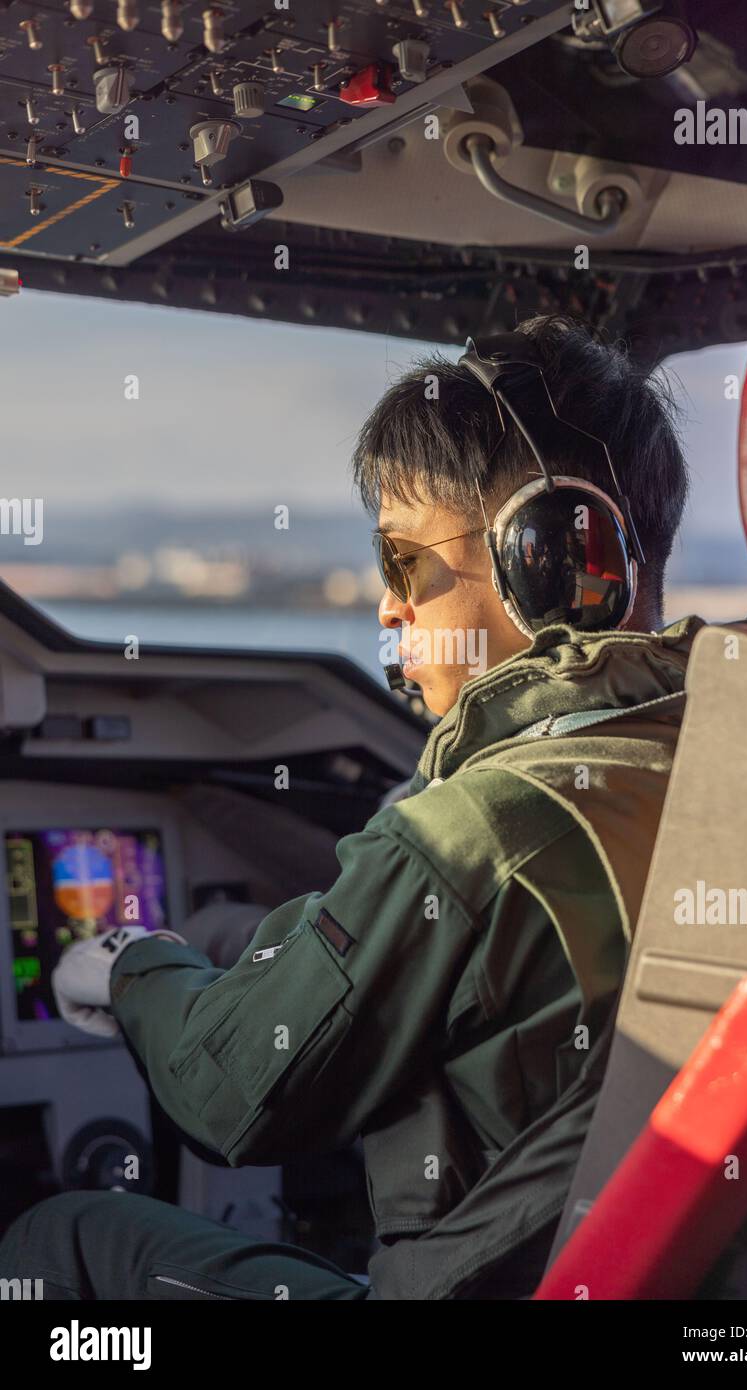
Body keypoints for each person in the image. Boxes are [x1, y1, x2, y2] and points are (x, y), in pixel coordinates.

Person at [0, 313, 697, 1300]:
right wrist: (241, 937)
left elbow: (229, 1091)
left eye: (405, 561)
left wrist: (132, 968)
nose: (386, 607)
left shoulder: (480, 830)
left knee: (60, 1238)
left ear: (543, 554)